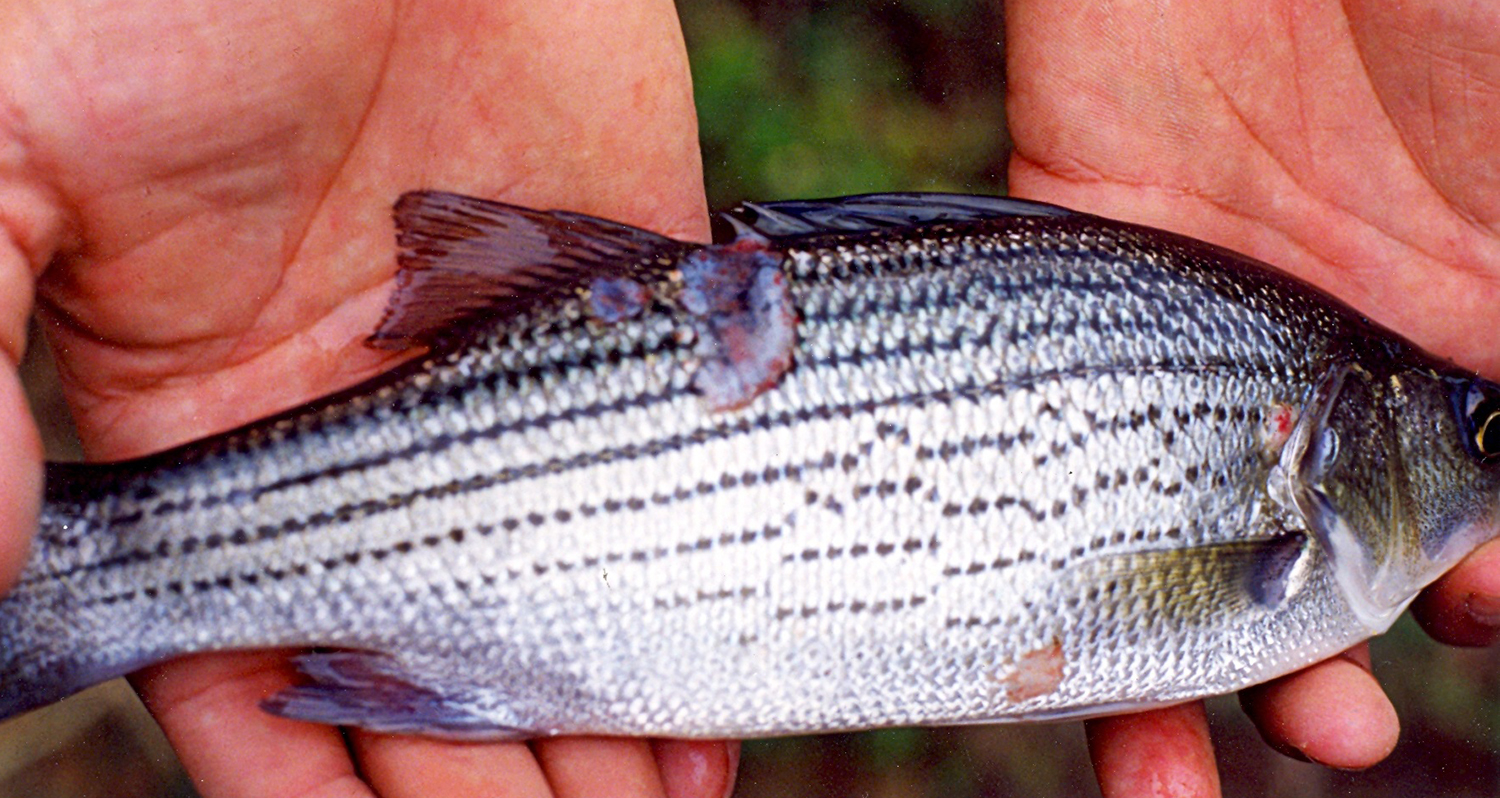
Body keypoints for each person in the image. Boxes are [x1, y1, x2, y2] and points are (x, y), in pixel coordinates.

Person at [0, 1, 1494, 796]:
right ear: (1351, 428)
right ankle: (87, 577)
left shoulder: (1290, 427)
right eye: (1475, 429)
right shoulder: (1293, 508)